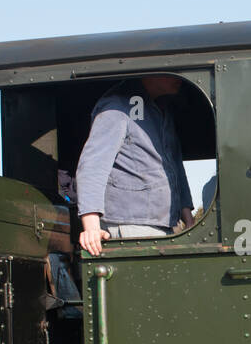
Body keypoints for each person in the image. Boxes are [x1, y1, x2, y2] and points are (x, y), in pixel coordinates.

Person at [76, 75, 194, 256]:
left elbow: (175, 164)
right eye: (169, 70)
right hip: (131, 226)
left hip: (164, 225)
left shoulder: (162, 110)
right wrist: (91, 227)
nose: (179, 75)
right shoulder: (118, 106)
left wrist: (188, 217)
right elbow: (93, 165)